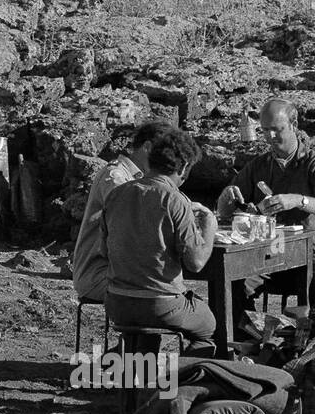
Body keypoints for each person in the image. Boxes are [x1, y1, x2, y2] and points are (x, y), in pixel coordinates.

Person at [215, 97, 315, 324]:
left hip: (310, 250)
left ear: (294, 125)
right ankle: (247, 338)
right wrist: (226, 199)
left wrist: (298, 200)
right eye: (265, 130)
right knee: (232, 283)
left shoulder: (314, 164)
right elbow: (226, 211)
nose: (270, 137)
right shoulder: (258, 166)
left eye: (276, 129)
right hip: (268, 250)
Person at [101, 126, 219, 357]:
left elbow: (104, 252)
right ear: (184, 167)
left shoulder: (116, 194)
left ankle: (140, 381)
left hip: (117, 302)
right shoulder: (175, 200)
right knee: (208, 325)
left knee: (145, 325)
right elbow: (196, 263)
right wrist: (209, 228)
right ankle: (186, 381)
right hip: (160, 305)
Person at [72, 119, 177, 302]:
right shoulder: (115, 177)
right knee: (168, 296)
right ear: (147, 147)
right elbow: (131, 224)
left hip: (122, 272)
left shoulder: (144, 180)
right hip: (99, 275)